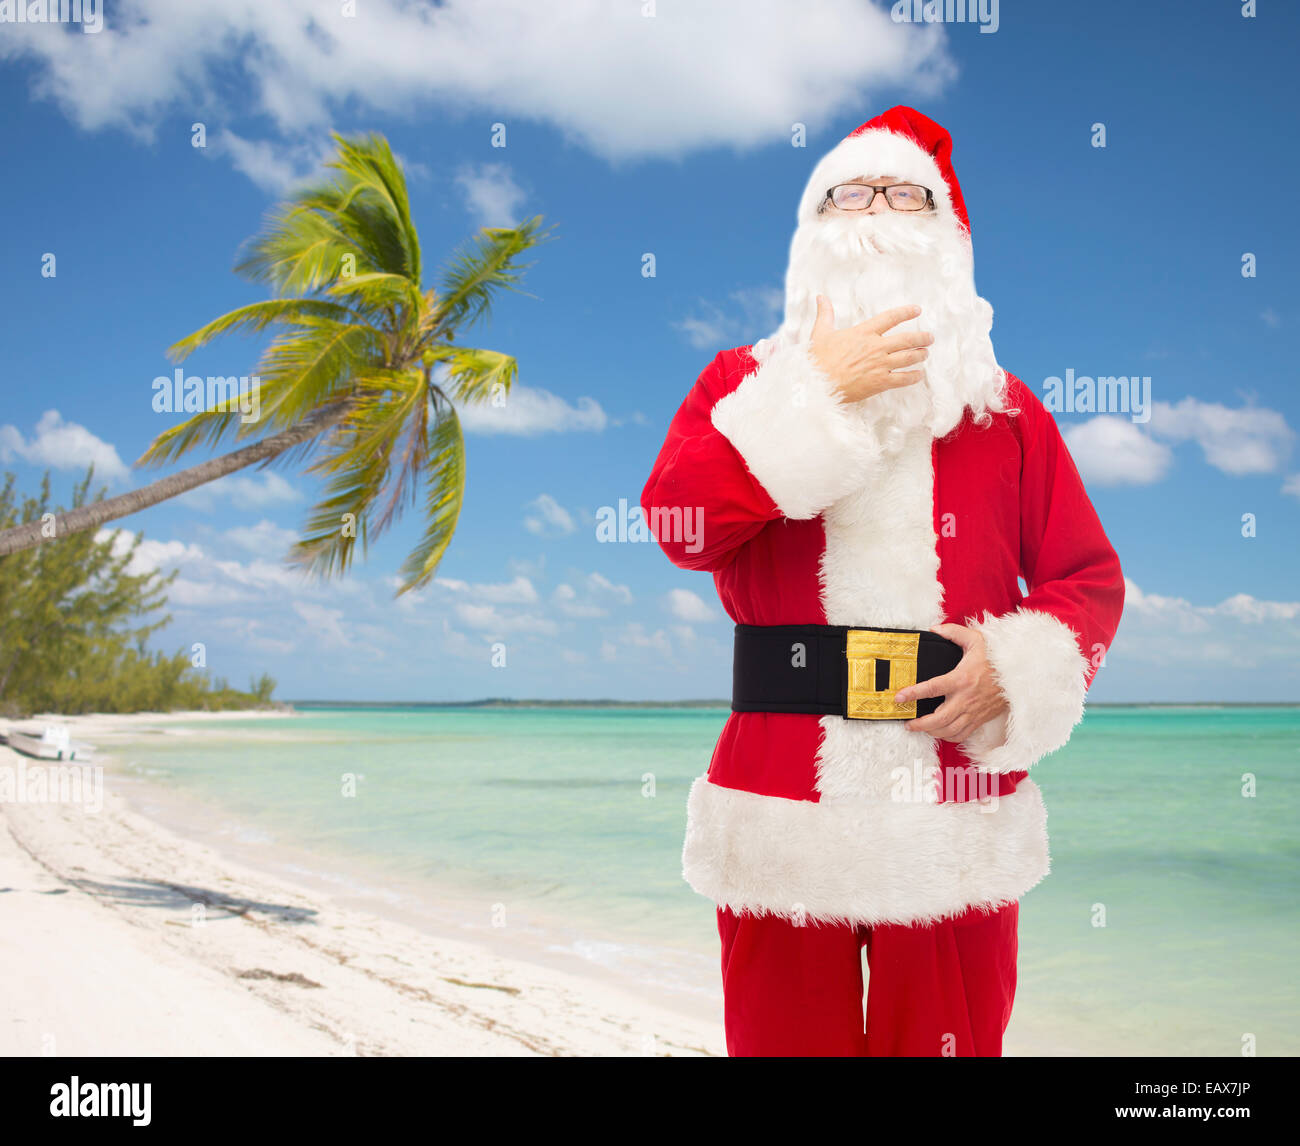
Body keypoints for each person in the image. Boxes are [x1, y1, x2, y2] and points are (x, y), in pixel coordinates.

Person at [640, 106, 1126, 1057]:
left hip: (952, 799)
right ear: (810, 230)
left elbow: (1086, 579)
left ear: (948, 237)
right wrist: (809, 396)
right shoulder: (740, 387)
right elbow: (676, 526)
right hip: (779, 800)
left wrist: (1016, 673)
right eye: (848, 193)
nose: (876, 212)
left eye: (907, 194)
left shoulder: (1007, 411)